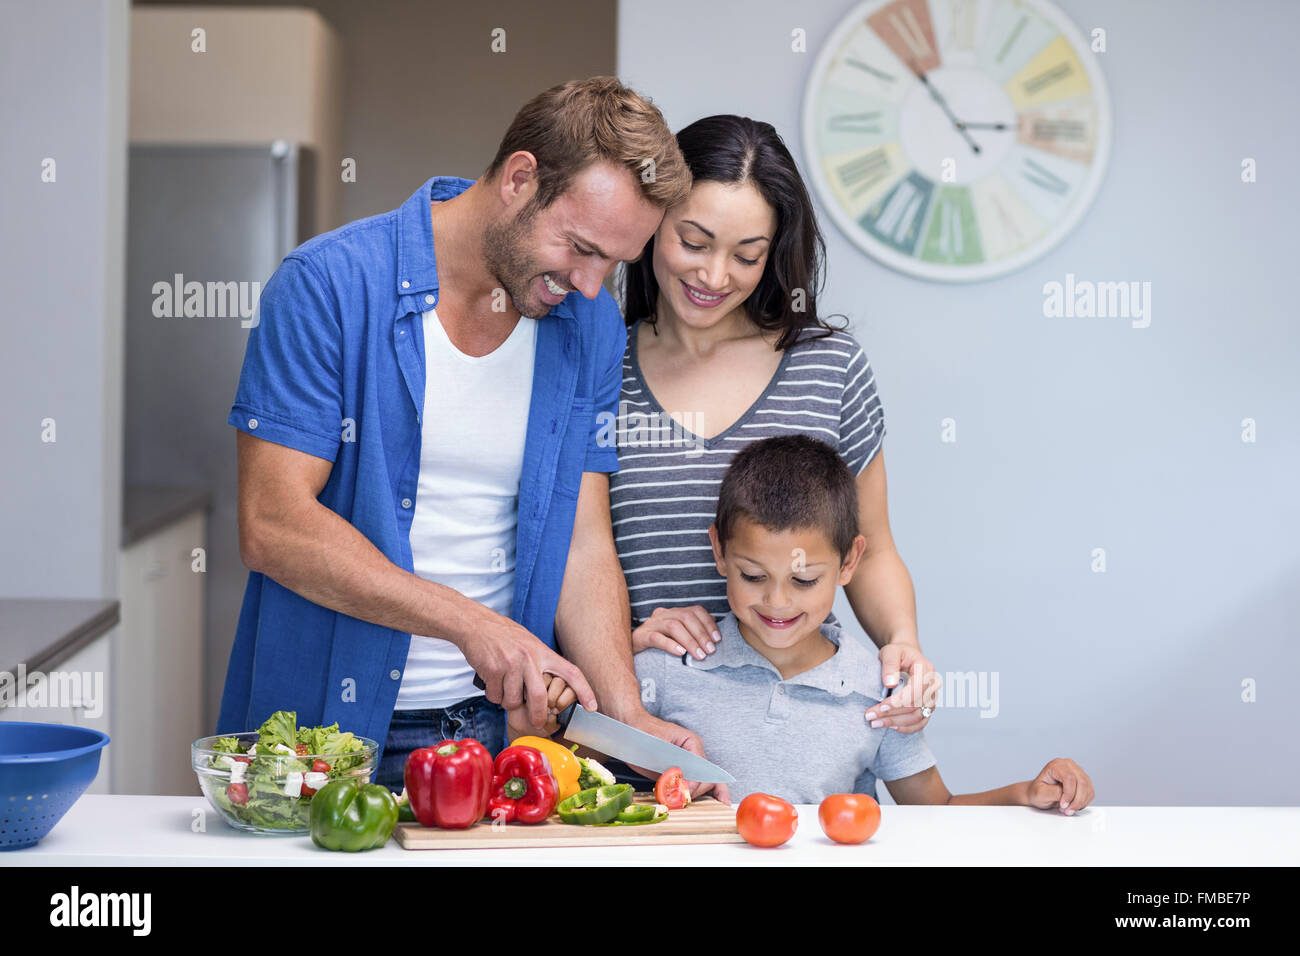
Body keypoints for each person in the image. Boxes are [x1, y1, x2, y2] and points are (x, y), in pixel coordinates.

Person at [216, 76, 715, 794]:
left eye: (613, 263)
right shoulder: (328, 285)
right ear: (520, 178)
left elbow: (582, 540)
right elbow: (273, 523)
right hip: (318, 735)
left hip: (491, 738)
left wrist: (627, 712)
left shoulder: (590, 326)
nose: (588, 284)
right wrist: (473, 625)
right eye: (579, 247)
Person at [633, 435, 1095, 811]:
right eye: (753, 576)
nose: (777, 601)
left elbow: (937, 812)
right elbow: (581, 761)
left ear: (850, 561)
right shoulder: (671, 665)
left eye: (805, 579)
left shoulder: (881, 695)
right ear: (718, 551)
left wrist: (1024, 795)